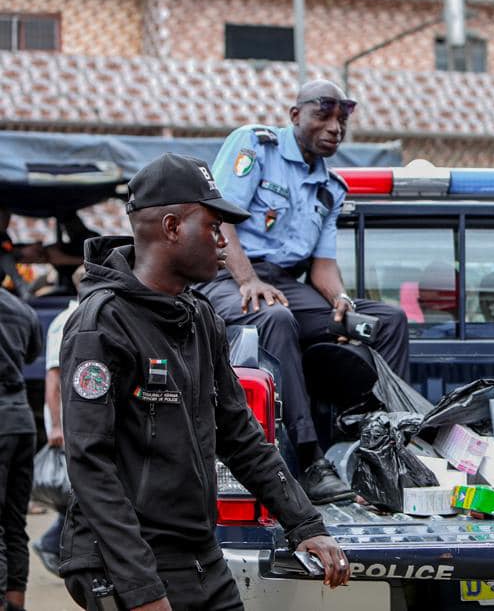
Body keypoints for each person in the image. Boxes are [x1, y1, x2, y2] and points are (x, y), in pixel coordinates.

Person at [59, 154, 348, 611]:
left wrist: (305, 524)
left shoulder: (199, 317)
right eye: (213, 227)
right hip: (126, 564)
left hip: (200, 554)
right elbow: (90, 466)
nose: (222, 242)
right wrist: (140, 590)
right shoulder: (102, 325)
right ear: (172, 227)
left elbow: (240, 434)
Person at [197, 79, 410, 504]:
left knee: (386, 321)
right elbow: (220, 221)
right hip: (225, 275)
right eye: (323, 114)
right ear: (296, 115)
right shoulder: (256, 146)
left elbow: (323, 265)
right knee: (274, 317)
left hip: (287, 282)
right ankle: (311, 461)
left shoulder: (331, 188)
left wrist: (341, 300)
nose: (335, 127)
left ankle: (383, 445)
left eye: (342, 120)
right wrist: (247, 281)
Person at [31, 265, 84, 576]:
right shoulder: (65, 322)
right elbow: (54, 378)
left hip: (75, 422)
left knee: (78, 491)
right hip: (69, 424)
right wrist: (56, 427)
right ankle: (52, 543)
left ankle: (58, 545)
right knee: (80, 491)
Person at [0, 283, 42, 611]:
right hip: (21, 420)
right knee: (14, 523)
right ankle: (16, 602)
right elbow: (31, 353)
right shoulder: (20, 308)